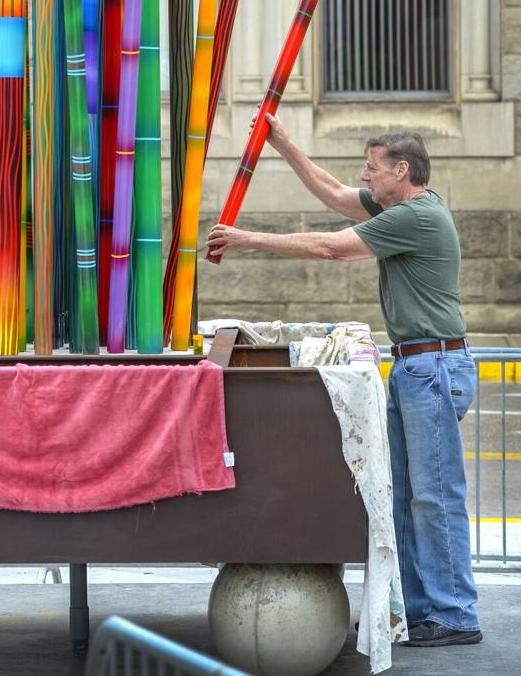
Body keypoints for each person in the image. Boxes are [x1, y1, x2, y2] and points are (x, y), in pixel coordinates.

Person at [206, 117, 482, 647]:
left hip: (432, 368)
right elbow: (335, 195)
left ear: (402, 171)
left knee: (433, 497)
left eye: (372, 168)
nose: (364, 175)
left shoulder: (417, 216)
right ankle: (421, 611)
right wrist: (284, 143)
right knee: (408, 497)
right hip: (417, 367)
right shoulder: (402, 209)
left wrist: (247, 238)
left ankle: (455, 614)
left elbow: (331, 248)